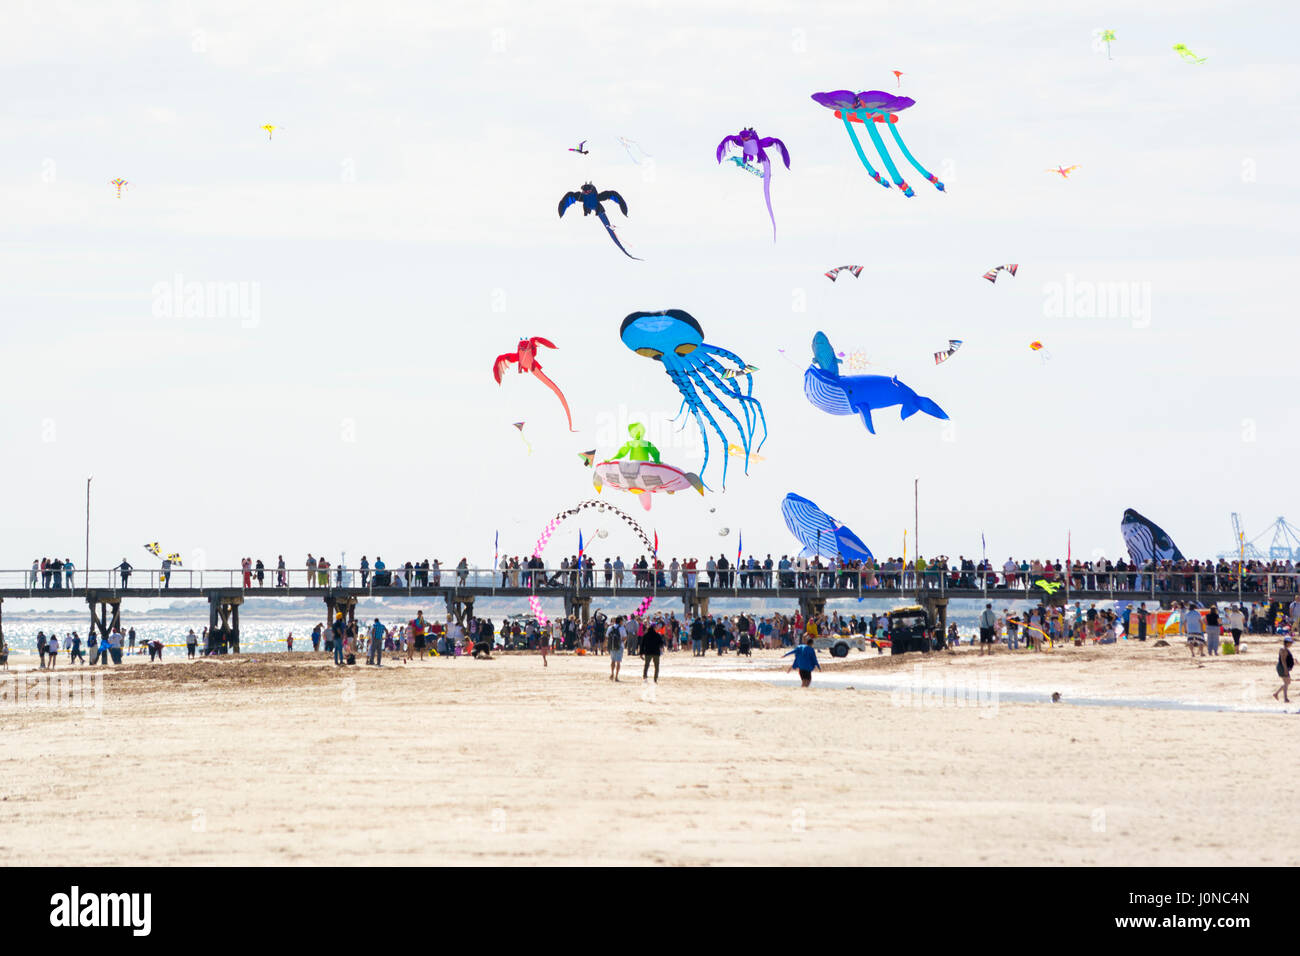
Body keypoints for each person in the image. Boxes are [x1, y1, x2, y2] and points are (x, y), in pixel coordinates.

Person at [1274, 637, 1294, 703]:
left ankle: (1276, 694)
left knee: (1287, 682)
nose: (1291, 644)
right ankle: (1285, 698)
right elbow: (1283, 660)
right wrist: (1285, 669)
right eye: (1290, 643)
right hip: (1282, 667)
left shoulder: (1285, 649)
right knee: (1287, 682)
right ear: (1287, 643)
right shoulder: (1283, 649)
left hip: (1283, 667)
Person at [608, 617, 624, 681]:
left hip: (612, 645)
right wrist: (621, 641)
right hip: (619, 646)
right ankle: (616, 676)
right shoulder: (622, 628)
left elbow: (607, 637)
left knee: (613, 661)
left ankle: (612, 673)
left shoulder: (610, 627)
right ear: (620, 621)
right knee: (618, 662)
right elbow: (625, 637)